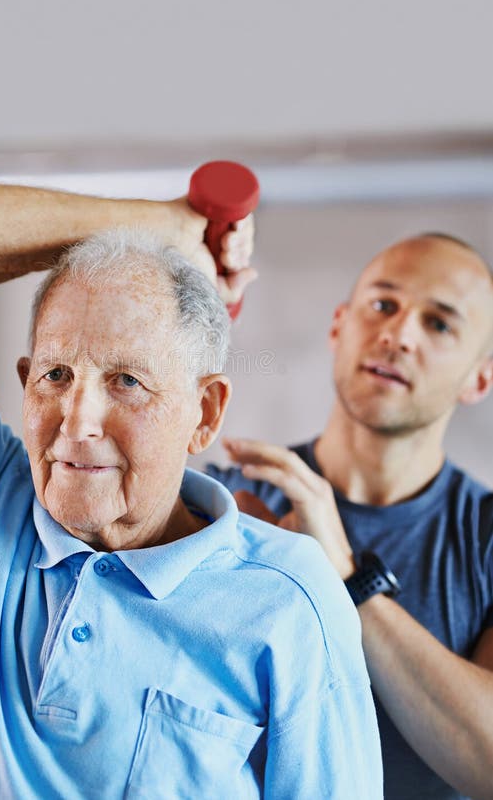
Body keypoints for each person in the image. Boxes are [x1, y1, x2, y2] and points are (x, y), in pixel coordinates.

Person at [0, 186, 382, 798]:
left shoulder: (289, 601)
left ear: (205, 411)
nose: (76, 420)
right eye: (55, 375)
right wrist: (171, 226)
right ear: (25, 383)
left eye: (126, 381)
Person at [209, 233, 493, 800]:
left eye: (439, 323)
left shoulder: (485, 538)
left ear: (479, 379)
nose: (398, 335)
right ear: (339, 326)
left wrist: (340, 575)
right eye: (383, 305)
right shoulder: (222, 504)